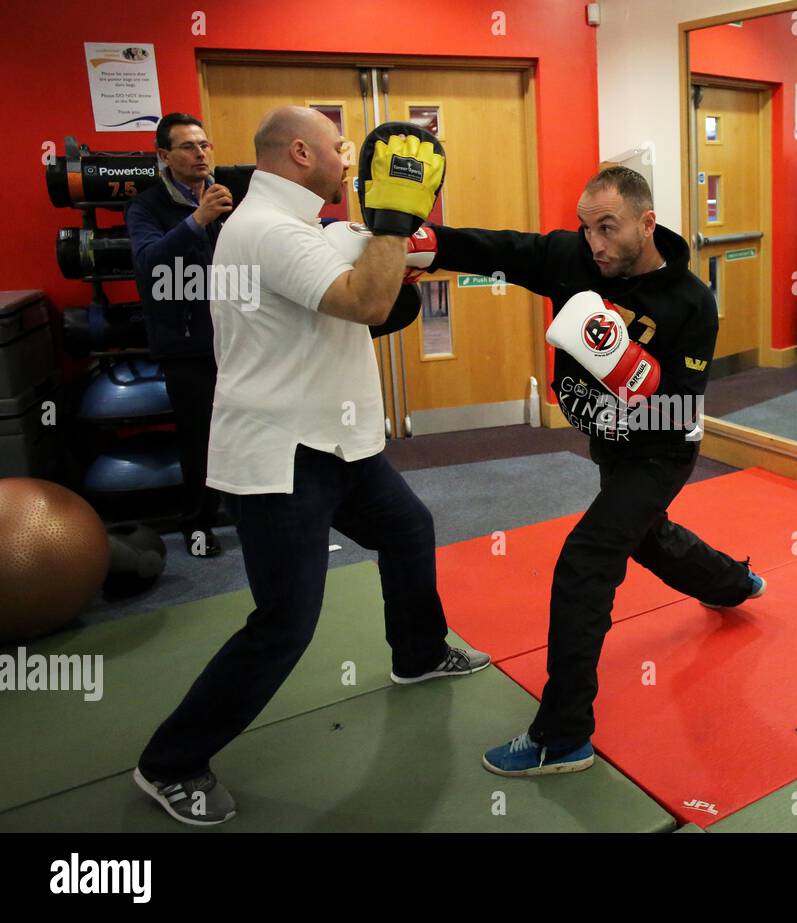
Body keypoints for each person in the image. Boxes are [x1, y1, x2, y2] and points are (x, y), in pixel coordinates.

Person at [134, 108, 488, 826]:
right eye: (337, 149)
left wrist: (404, 240)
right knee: (285, 622)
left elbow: (374, 286)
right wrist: (390, 223)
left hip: (339, 443)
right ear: (300, 152)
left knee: (408, 529)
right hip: (281, 455)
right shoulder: (267, 230)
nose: (348, 160)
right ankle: (168, 762)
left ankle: (417, 652)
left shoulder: (302, 227)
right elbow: (364, 300)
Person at [425, 166, 763, 776]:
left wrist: (627, 371)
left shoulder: (691, 302)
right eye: (587, 228)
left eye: (608, 228)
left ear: (646, 223)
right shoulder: (572, 257)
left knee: (588, 560)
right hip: (607, 445)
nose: (596, 243)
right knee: (648, 538)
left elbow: (683, 406)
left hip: (659, 452)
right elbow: (498, 247)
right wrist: (423, 243)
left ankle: (563, 736)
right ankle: (734, 585)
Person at [125, 113, 230, 556]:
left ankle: (248, 514)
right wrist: (197, 221)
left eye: (204, 144)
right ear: (164, 156)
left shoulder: (228, 194)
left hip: (236, 337)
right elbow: (149, 264)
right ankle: (199, 525)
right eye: (188, 147)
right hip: (185, 345)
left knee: (249, 428)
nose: (200, 153)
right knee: (199, 438)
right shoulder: (146, 206)